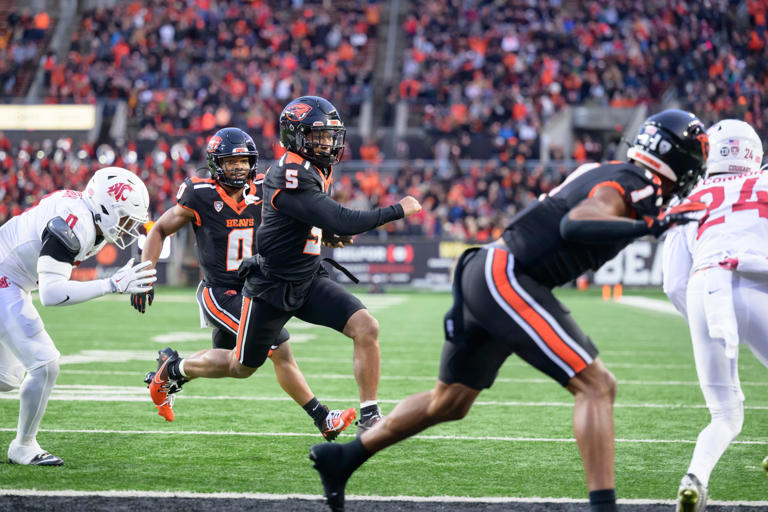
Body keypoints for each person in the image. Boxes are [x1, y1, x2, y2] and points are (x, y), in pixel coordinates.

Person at [307, 109, 710, 512]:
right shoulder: (637, 184)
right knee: (597, 386)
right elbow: (576, 223)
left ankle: (343, 458)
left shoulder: (611, 171)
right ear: (677, 158)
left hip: (490, 271)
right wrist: (651, 225)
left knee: (449, 402)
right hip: (508, 276)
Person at [148, 96, 421, 435]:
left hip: (305, 280)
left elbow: (301, 217)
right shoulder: (287, 174)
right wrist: (398, 209)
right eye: (318, 136)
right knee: (242, 365)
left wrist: (324, 233)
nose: (327, 143)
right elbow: (340, 217)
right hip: (265, 287)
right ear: (297, 137)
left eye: (329, 135)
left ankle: (369, 417)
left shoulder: (300, 173)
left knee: (366, 327)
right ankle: (175, 369)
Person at [137, 127, 355, 440]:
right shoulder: (199, 193)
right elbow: (159, 229)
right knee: (278, 346)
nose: (238, 167)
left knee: (239, 366)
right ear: (216, 164)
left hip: (257, 289)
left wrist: (327, 231)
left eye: (243, 161)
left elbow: (300, 217)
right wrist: (146, 273)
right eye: (230, 161)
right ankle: (323, 418)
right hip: (221, 291)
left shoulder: (266, 188)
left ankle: (172, 369)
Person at [0, 167, 156, 465]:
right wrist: (111, 284)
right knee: (45, 365)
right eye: (125, 218)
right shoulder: (74, 223)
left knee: (7, 378)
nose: (128, 228)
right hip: (5, 277)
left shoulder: (88, 216)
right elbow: (52, 294)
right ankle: (23, 446)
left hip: (15, 279)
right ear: (106, 208)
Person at [662, 119, 768, 512]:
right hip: (757, 278)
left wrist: (702, 321)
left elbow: (673, 283)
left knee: (724, 414)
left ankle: (695, 479)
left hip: (705, 285)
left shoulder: (689, 197)